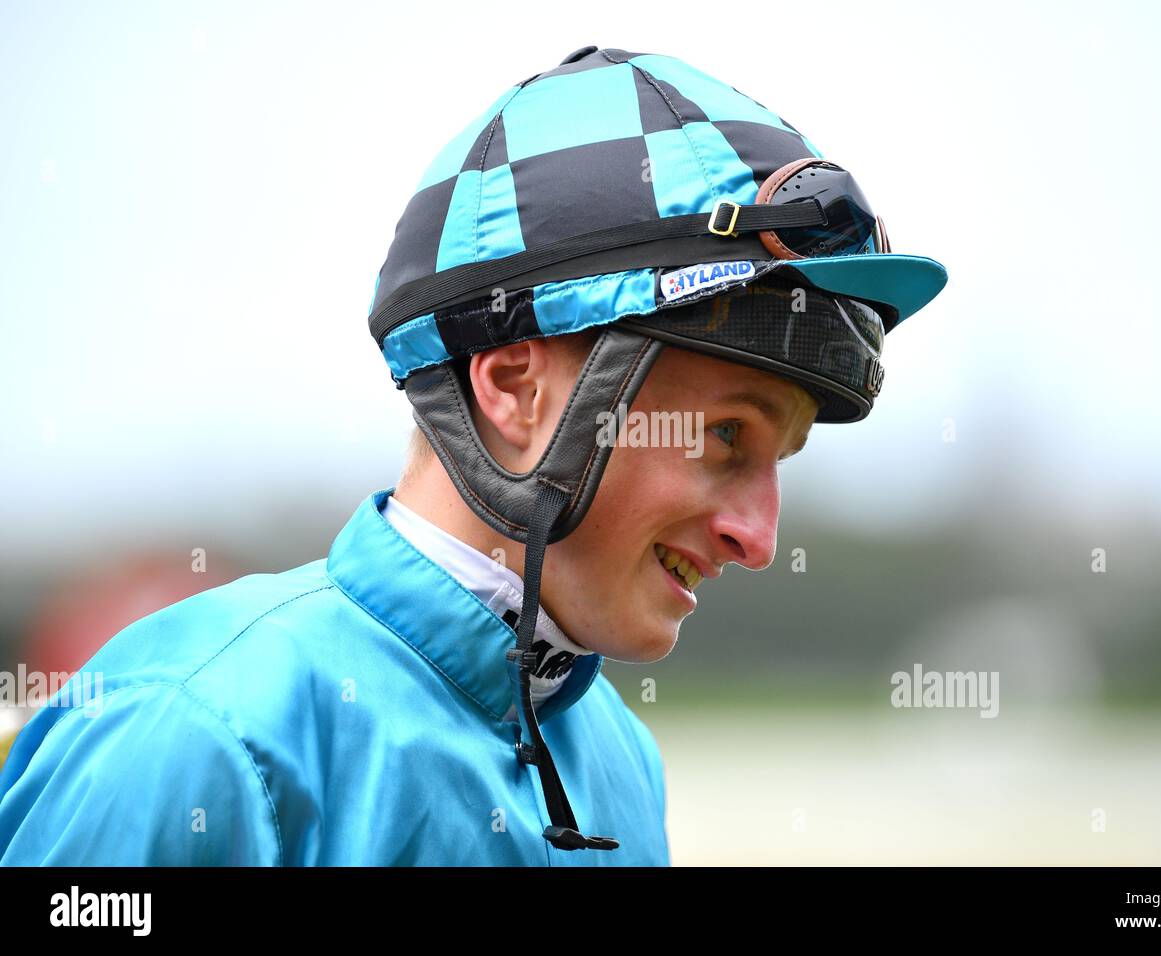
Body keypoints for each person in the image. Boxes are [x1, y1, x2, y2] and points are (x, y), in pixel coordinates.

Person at [0, 45, 945, 865]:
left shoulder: (618, 759)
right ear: (513, 390)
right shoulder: (193, 731)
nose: (759, 537)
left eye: (782, 457)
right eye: (724, 437)